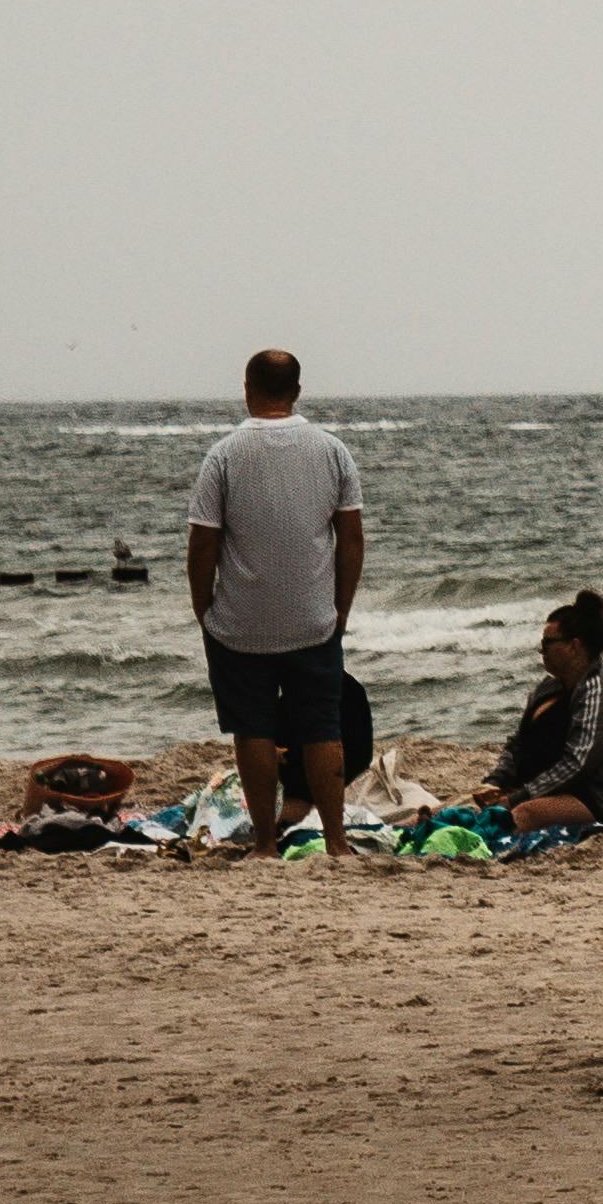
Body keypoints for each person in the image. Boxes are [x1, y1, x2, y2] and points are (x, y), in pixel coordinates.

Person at [183, 348, 369, 862]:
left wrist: (204, 608)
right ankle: (336, 841)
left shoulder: (222, 455)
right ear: (298, 391)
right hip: (313, 615)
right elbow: (351, 537)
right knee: (322, 727)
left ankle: (265, 843)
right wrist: (341, 605)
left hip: (240, 621)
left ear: (247, 388)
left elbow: (203, 544)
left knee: (254, 729)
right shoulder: (333, 451)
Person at [491, 592, 603, 846]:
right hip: (569, 791)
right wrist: (495, 783)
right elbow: (519, 744)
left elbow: (577, 763)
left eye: (548, 643)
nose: (541, 650)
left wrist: (518, 797)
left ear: (575, 646)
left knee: (523, 814)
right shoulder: (548, 689)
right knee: (466, 806)